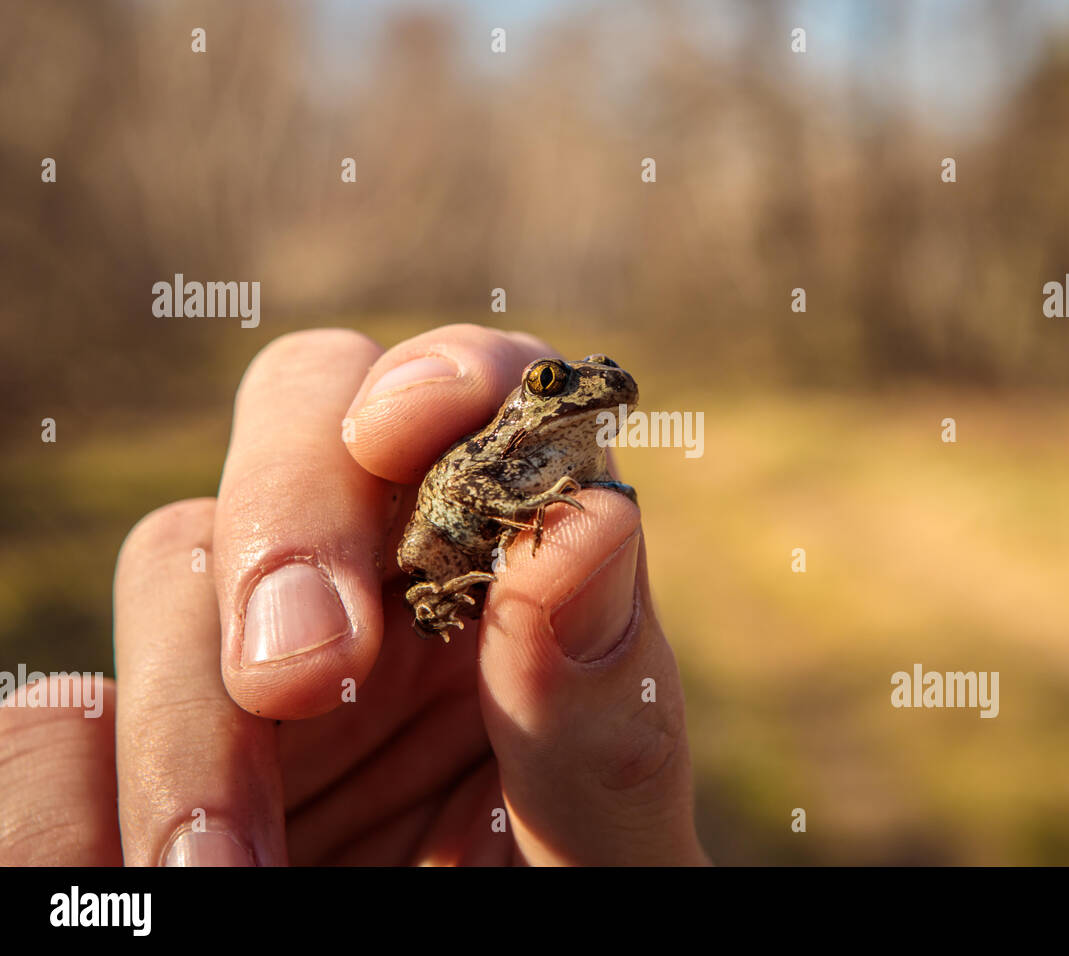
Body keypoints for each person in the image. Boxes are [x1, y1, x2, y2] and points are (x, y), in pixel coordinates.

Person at [0, 324, 709, 866]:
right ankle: (433, 606)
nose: (589, 390)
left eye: (604, 379)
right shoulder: (505, 444)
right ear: (533, 394)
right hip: (437, 547)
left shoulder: (582, 453)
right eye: (557, 381)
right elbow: (459, 484)